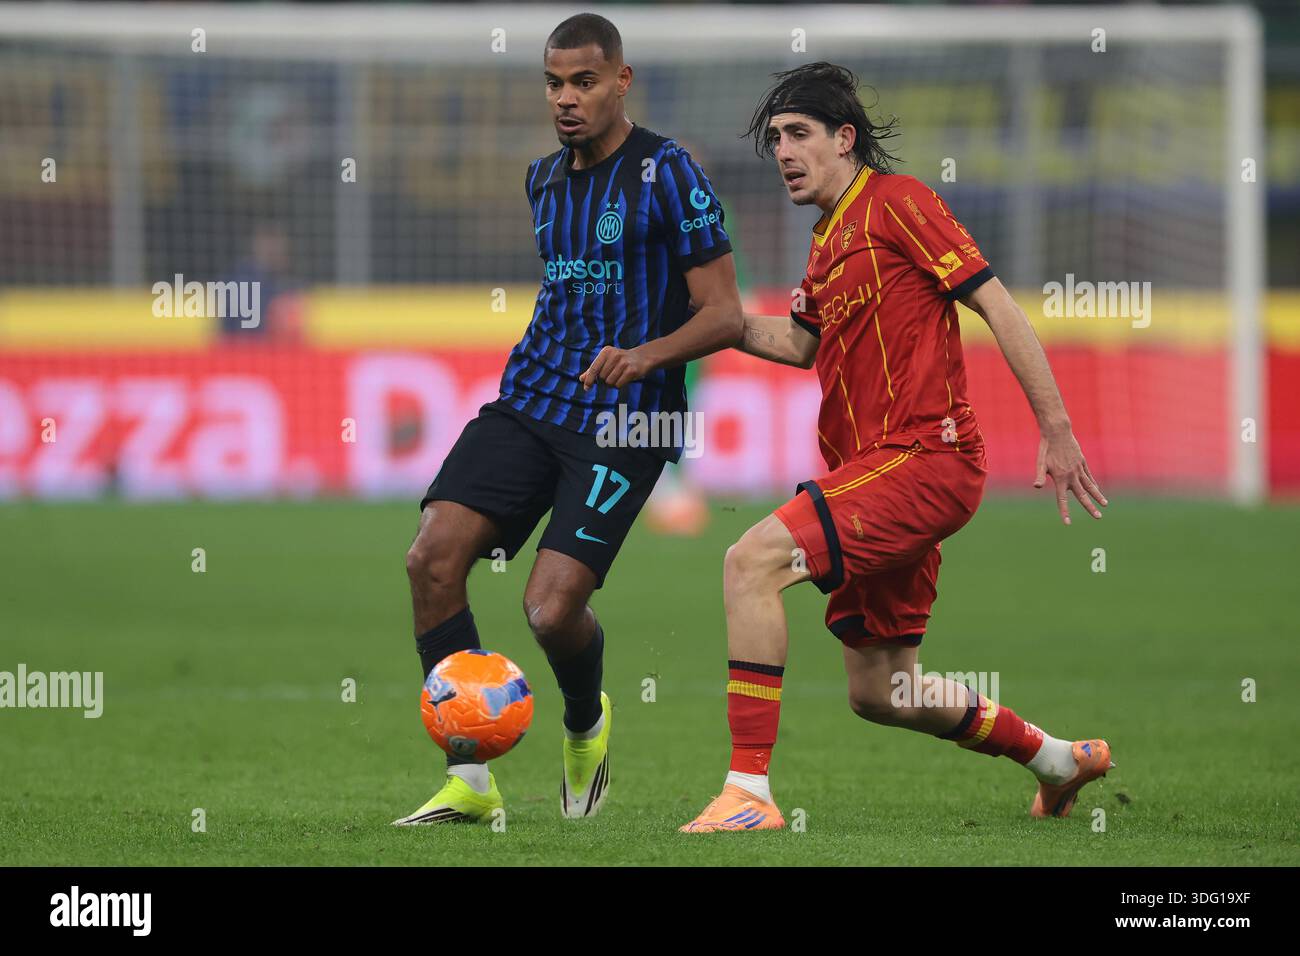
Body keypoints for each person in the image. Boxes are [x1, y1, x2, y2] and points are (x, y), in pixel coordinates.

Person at [681, 63, 1112, 833]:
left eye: (799, 134)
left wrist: (1057, 428)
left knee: (749, 561)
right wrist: (708, 314)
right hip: (876, 472)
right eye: (776, 138)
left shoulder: (899, 203)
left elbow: (995, 303)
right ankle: (1055, 758)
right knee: (882, 690)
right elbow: (798, 343)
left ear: (845, 139)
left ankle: (748, 793)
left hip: (926, 458)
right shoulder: (825, 243)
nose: (783, 151)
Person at [395, 13, 743, 825]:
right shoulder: (542, 181)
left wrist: (648, 353)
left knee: (548, 610)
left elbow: (725, 314)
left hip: (628, 420)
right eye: (553, 83)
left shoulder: (670, 173)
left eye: (584, 81)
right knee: (431, 558)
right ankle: (469, 780)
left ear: (622, 81)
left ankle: (585, 722)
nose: (566, 98)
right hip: (530, 401)